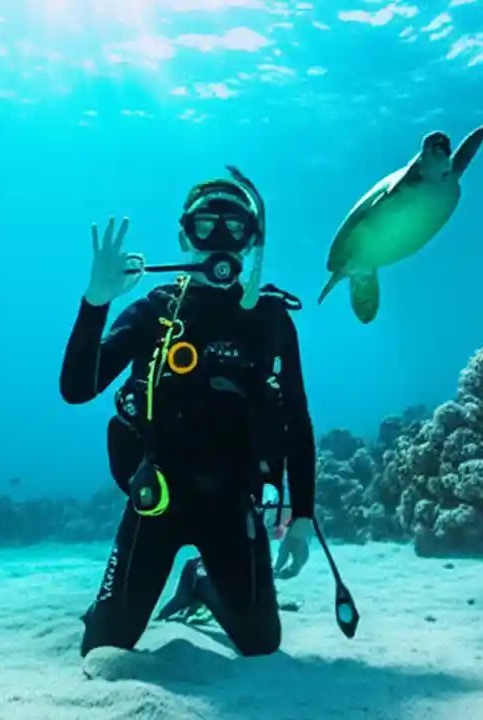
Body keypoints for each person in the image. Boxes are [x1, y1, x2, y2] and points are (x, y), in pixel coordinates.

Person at [59, 167, 317, 658]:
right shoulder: (156, 309)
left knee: (262, 643)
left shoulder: (269, 318)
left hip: (231, 503)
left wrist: (302, 515)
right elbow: (76, 388)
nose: (219, 238)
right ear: (184, 235)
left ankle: (200, 580)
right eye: (205, 226)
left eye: (235, 226)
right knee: (105, 645)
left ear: (252, 240)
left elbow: (296, 420)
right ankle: (130, 600)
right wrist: (96, 302)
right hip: (156, 497)